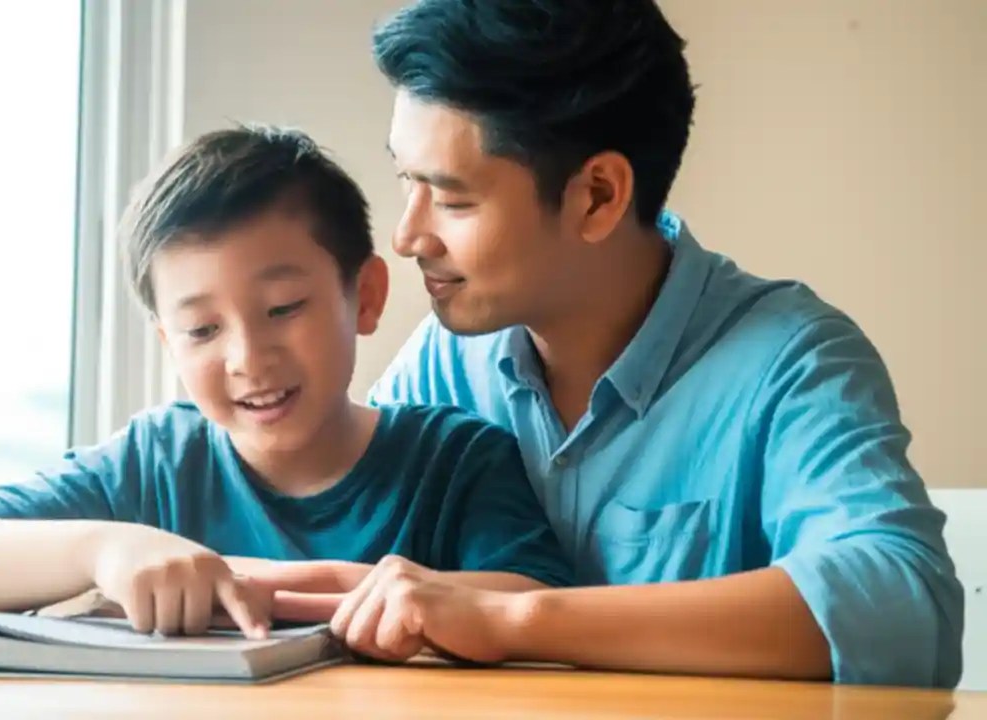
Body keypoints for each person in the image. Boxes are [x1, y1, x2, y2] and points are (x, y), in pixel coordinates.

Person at [299, 0, 962, 688]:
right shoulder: (444, 361)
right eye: (408, 181)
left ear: (598, 197)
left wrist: (515, 619)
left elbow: (907, 609)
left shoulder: (794, 362)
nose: (407, 237)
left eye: (453, 199)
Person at [0, 125, 569, 639]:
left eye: (283, 310)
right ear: (168, 342)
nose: (248, 357)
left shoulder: (458, 461)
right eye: (203, 331)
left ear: (365, 296)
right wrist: (105, 549)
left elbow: (542, 608)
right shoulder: (156, 464)